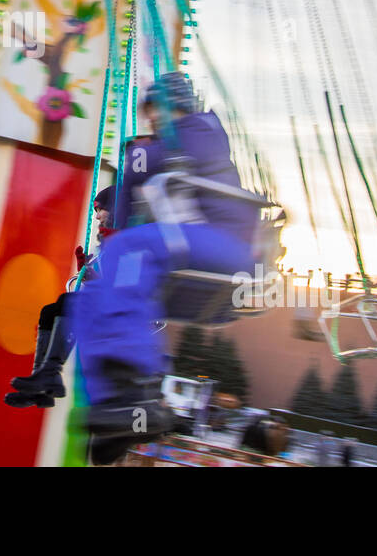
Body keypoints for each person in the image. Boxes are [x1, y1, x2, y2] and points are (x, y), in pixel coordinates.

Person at [72, 71, 264, 462]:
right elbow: (134, 184)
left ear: (177, 105)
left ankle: (136, 378)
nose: (153, 120)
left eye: (157, 110)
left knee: (130, 248)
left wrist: (135, 154)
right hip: (189, 248)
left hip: (227, 245)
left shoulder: (200, 129)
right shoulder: (162, 145)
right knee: (91, 292)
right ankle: (112, 404)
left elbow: (145, 166)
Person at [4, 186, 116, 409]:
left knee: (70, 303)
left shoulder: (122, 236)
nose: (96, 215)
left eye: (100, 209)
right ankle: (42, 380)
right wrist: (87, 272)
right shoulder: (105, 240)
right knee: (49, 310)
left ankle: (51, 371)